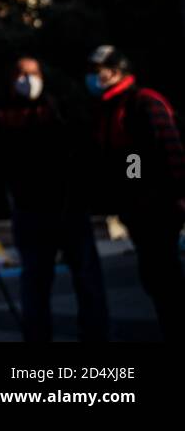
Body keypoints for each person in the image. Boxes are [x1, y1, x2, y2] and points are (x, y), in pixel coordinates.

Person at [0, 56, 109, 342]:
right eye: (21, 74)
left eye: (32, 73)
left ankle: (96, 334)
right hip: (30, 209)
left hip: (68, 206)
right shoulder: (2, 113)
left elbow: (83, 145)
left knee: (86, 279)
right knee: (35, 282)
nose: (27, 80)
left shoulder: (58, 107)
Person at [86, 45, 185, 341]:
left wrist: (177, 198)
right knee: (155, 277)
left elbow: (172, 152)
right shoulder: (109, 109)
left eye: (97, 71)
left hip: (157, 207)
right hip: (137, 209)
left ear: (116, 70)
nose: (92, 77)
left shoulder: (143, 102)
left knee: (164, 276)